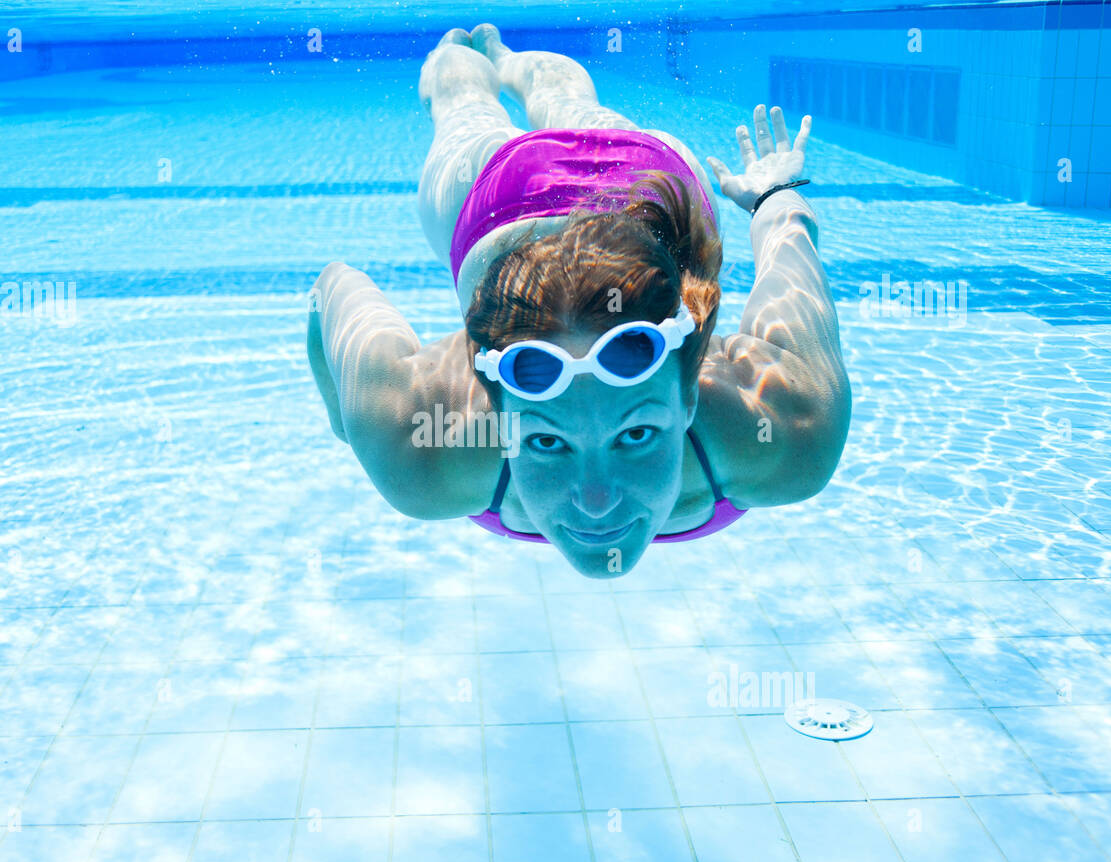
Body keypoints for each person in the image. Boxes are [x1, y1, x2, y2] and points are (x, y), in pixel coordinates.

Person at [308, 24, 850, 578]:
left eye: (637, 434)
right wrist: (773, 199)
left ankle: (498, 58)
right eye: (544, 440)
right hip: (628, 180)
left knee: (493, 112)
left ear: (690, 396)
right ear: (495, 410)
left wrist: (351, 416)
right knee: (480, 106)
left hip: (522, 196)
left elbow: (331, 288)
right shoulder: (789, 436)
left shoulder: (417, 454)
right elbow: (332, 287)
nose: (596, 502)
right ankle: (478, 61)